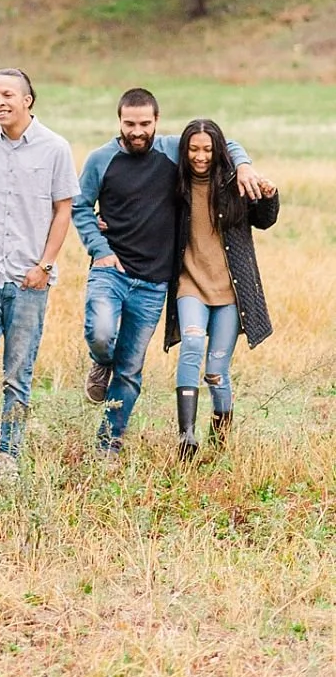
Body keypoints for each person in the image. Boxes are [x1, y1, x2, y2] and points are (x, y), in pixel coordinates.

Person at [73, 89, 253, 451]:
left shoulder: (173, 151)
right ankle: (100, 361)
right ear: (119, 121)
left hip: (154, 283)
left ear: (156, 121)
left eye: (144, 124)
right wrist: (100, 249)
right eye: (129, 124)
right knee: (102, 333)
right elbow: (80, 207)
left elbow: (222, 141)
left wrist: (244, 164)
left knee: (131, 369)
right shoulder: (100, 159)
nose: (137, 131)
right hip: (111, 270)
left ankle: (109, 444)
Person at [0, 69, 75, 481]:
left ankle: (8, 452)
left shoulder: (55, 148)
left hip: (28, 278)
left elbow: (63, 211)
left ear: (28, 100)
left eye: (7, 95)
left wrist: (45, 265)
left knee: (18, 370)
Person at [165, 118, 279, 458]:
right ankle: (186, 435)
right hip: (190, 285)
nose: (200, 156)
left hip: (230, 294)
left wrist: (269, 195)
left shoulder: (234, 182)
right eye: (194, 149)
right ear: (184, 150)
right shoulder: (175, 186)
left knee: (216, 369)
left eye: (208, 149)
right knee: (192, 343)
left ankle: (221, 434)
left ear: (218, 151)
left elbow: (264, 220)